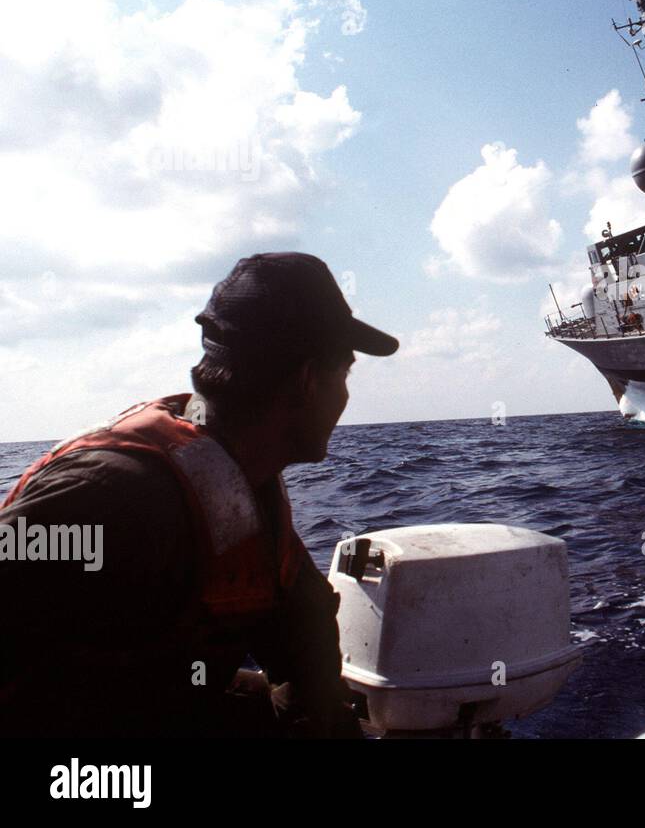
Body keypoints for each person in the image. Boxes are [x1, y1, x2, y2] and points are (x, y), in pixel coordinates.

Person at [0, 253, 398, 737]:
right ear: (308, 380)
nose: (345, 397)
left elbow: (303, 634)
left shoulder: (238, 490)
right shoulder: (115, 496)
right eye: (345, 375)